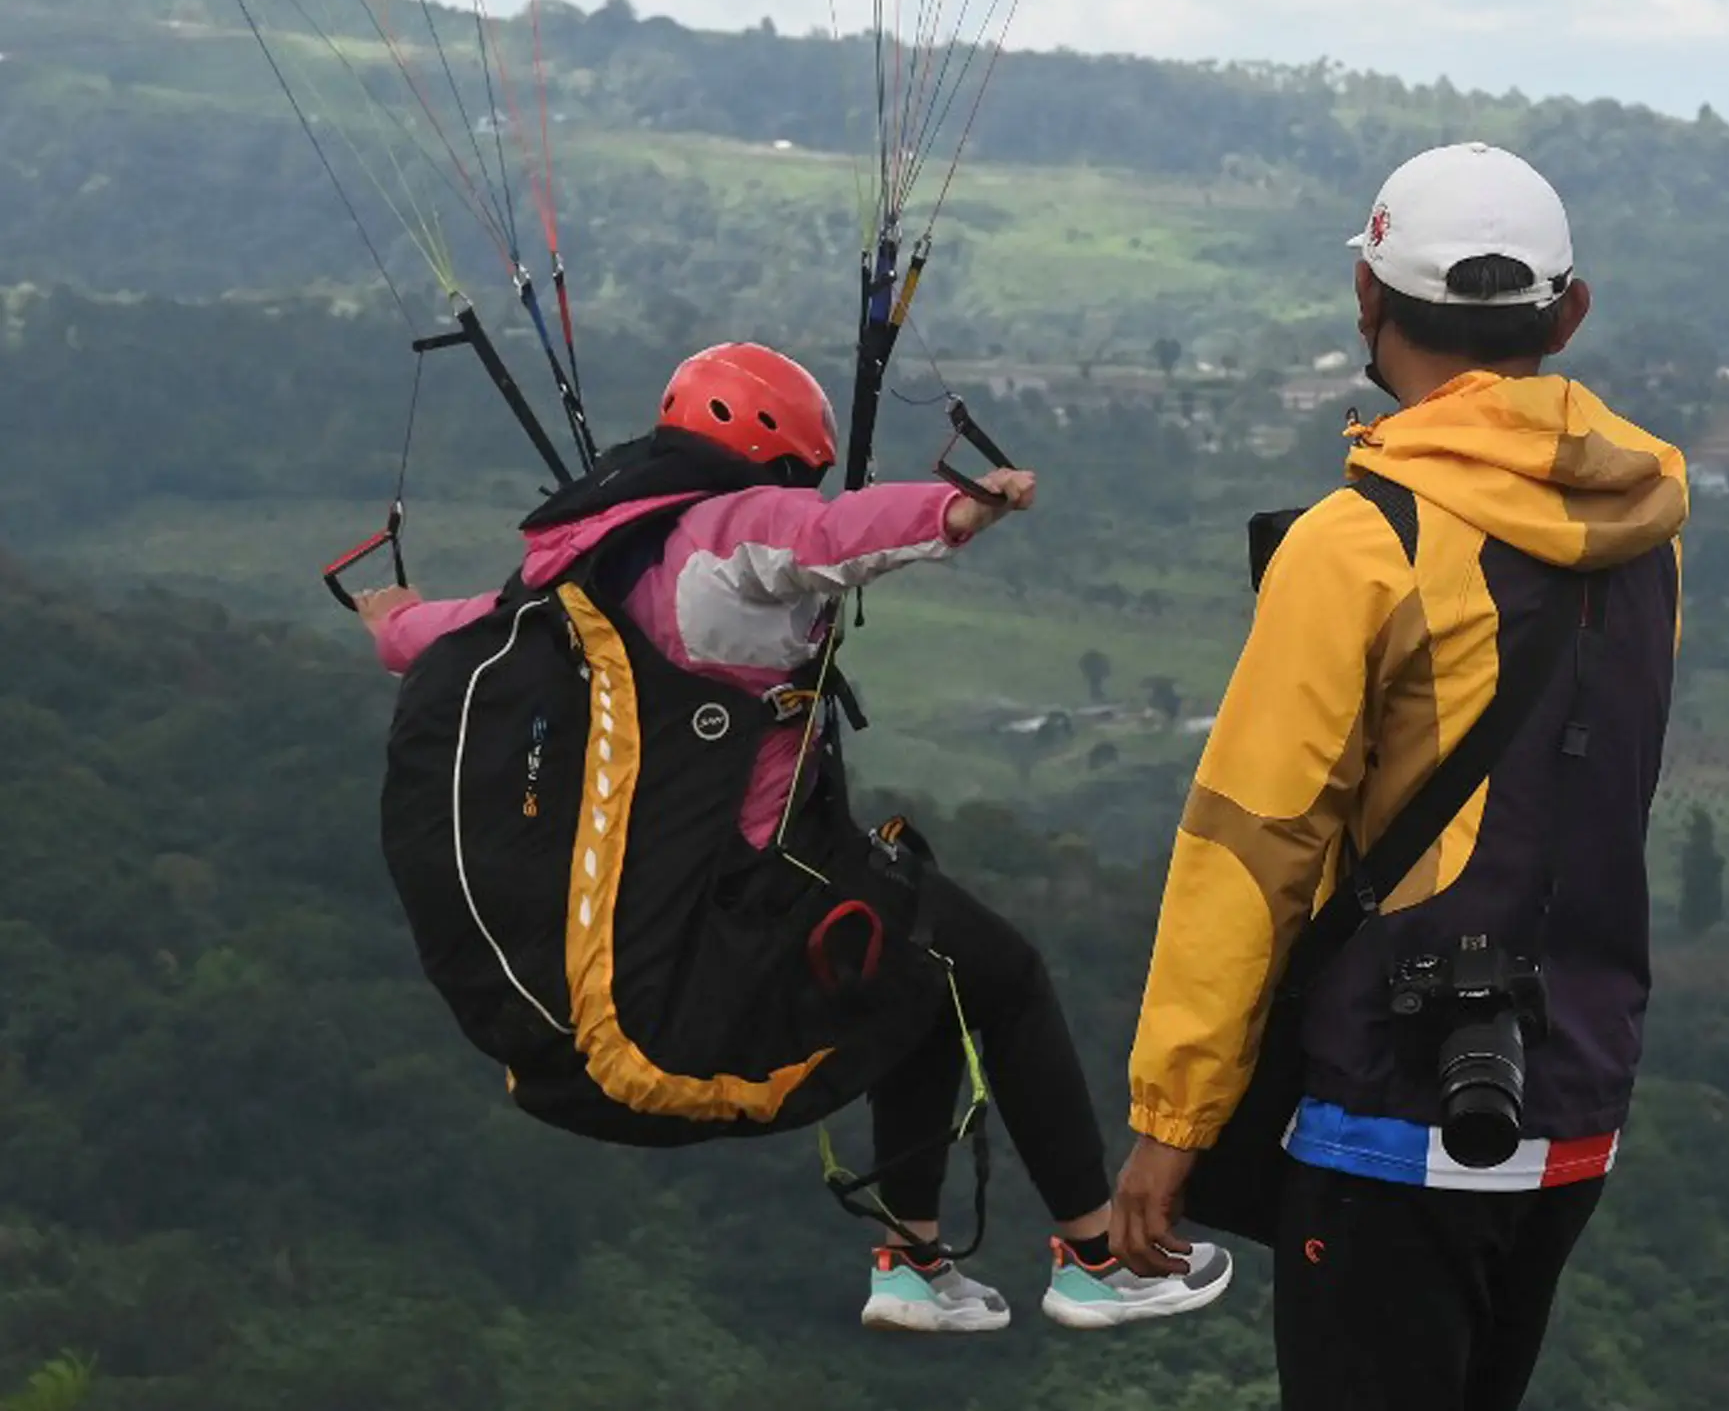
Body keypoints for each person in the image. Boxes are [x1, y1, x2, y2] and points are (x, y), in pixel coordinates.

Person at [355, 341, 1232, 1334]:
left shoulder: (589, 558)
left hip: (679, 910)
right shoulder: (725, 534)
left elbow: (453, 628)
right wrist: (956, 510)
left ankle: (914, 1263)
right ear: (774, 456)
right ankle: (1095, 1255)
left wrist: (394, 619)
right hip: (753, 905)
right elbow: (821, 537)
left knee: (923, 968)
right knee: (1011, 973)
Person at [1108, 144, 1689, 1407]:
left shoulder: (1359, 541)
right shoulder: (1647, 539)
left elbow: (1249, 846)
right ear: (1568, 313)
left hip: (1392, 1109)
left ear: (1366, 301)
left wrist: (1173, 1120)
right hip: (1572, 1106)